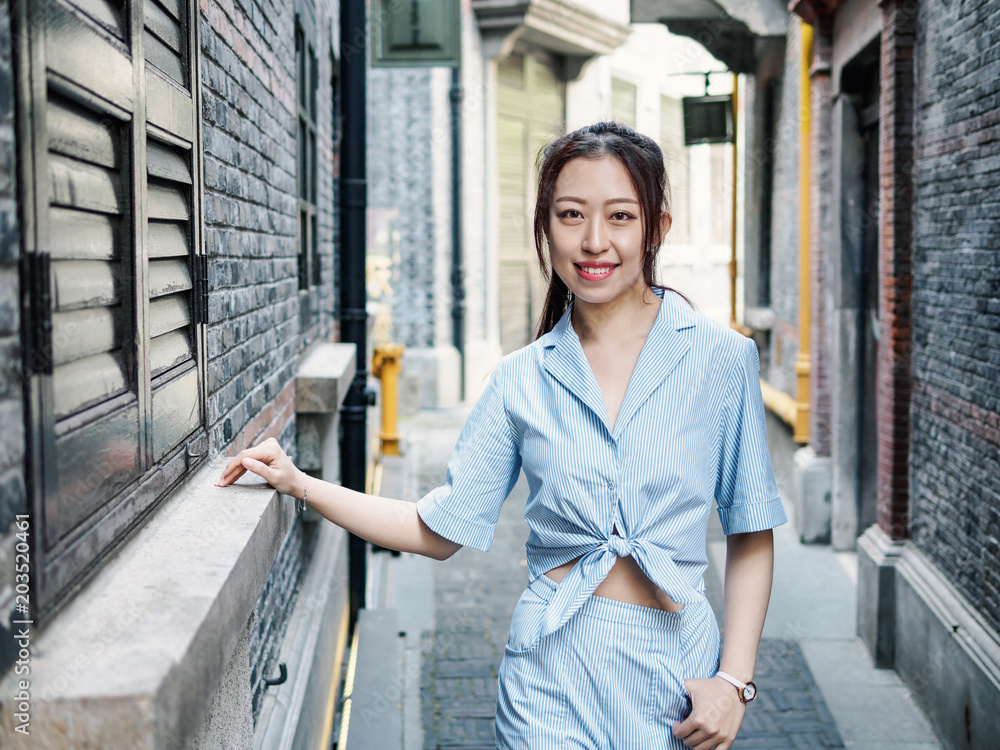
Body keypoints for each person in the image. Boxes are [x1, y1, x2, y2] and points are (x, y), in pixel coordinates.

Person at [217, 121, 787, 750]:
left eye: (620, 216)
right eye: (572, 215)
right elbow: (437, 531)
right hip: (550, 672)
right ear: (546, 226)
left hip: (681, 677)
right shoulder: (521, 380)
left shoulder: (721, 359)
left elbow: (750, 529)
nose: (595, 241)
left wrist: (733, 681)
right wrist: (301, 484)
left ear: (656, 228)